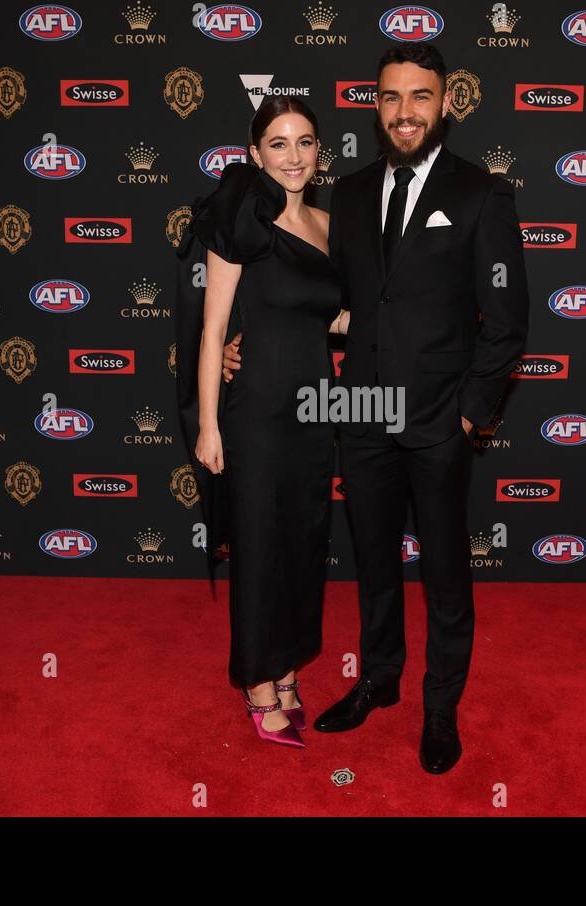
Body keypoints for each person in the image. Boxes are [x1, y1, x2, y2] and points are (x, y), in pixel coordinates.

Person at [223, 43, 530, 773]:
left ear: (445, 103)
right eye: (391, 97)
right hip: (363, 412)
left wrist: (470, 413)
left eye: (420, 96)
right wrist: (244, 341)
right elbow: (327, 301)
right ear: (377, 106)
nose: (404, 112)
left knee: (445, 573)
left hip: (439, 420)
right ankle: (380, 679)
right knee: (376, 563)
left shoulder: (481, 192)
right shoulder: (353, 194)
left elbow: (508, 320)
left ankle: (440, 707)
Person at [177, 97, 349, 748]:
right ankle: (256, 682)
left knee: (304, 542)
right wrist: (209, 425)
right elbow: (213, 328)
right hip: (254, 410)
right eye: (278, 143)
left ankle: (287, 666)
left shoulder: (328, 225)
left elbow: (332, 317)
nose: (293, 156)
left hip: (314, 409)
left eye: (305, 142)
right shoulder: (243, 218)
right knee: (259, 546)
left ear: (320, 151)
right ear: (255, 154)